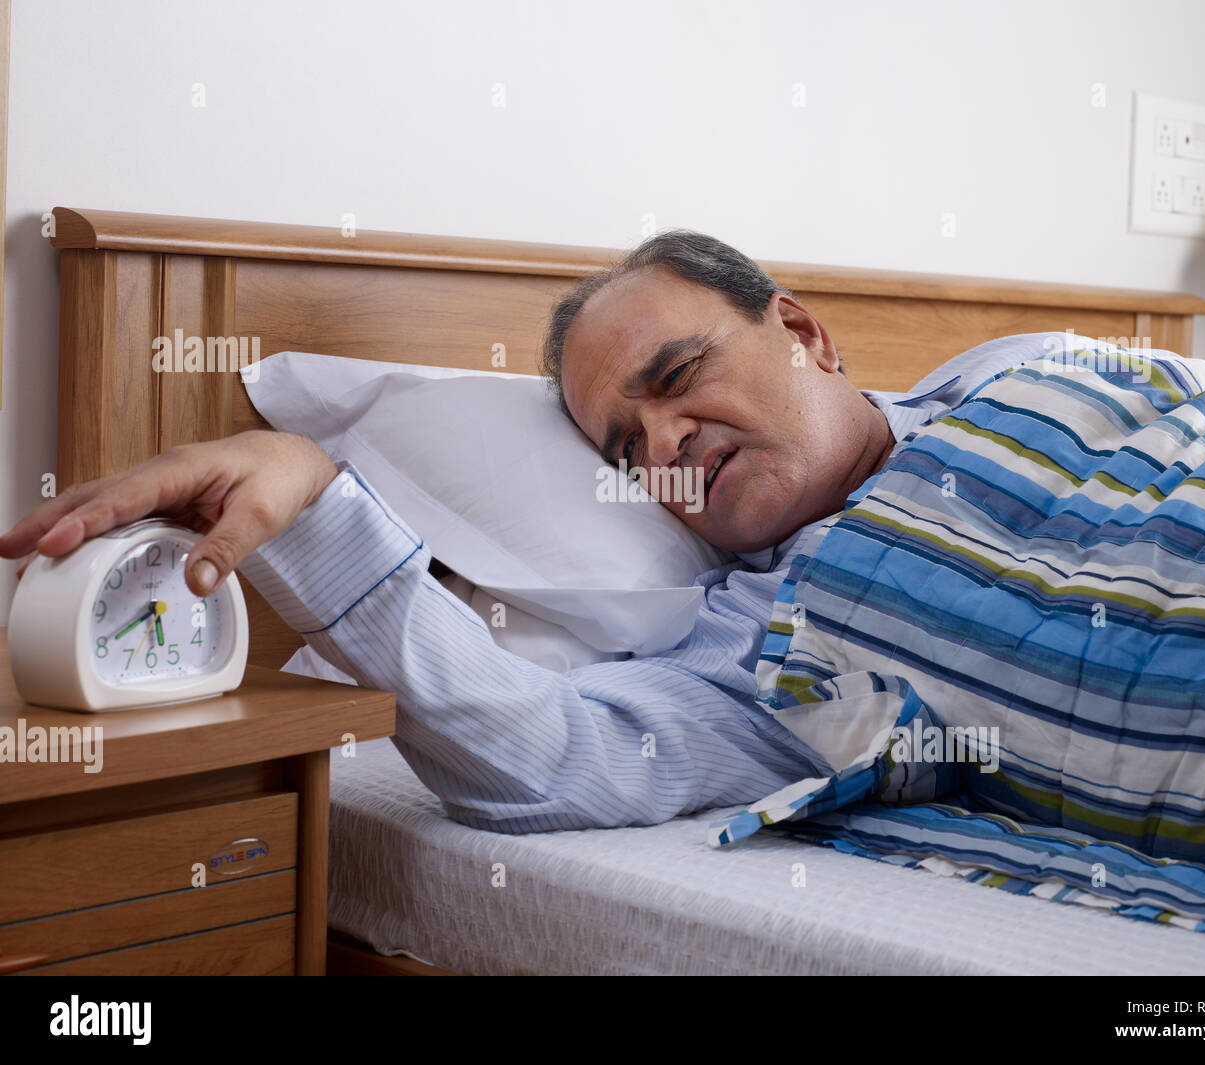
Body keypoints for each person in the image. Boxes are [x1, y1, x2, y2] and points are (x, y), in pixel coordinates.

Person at [0, 231, 1092, 833]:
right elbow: (552, 760)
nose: (664, 442)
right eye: (626, 450)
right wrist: (320, 501)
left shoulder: (1025, 371)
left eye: (679, 376)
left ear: (801, 332)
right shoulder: (773, 647)